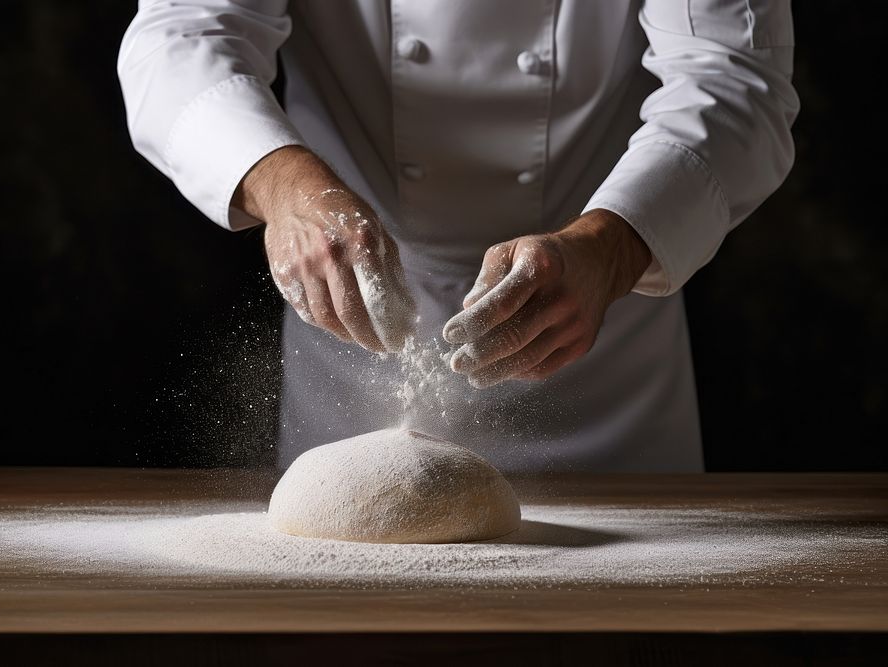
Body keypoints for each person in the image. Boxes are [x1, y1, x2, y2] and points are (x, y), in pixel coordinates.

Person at [118, 1, 798, 472]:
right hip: (350, 340)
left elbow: (735, 78)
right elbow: (181, 36)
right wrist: (288, 189)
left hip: (604, 350)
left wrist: (609, 248)